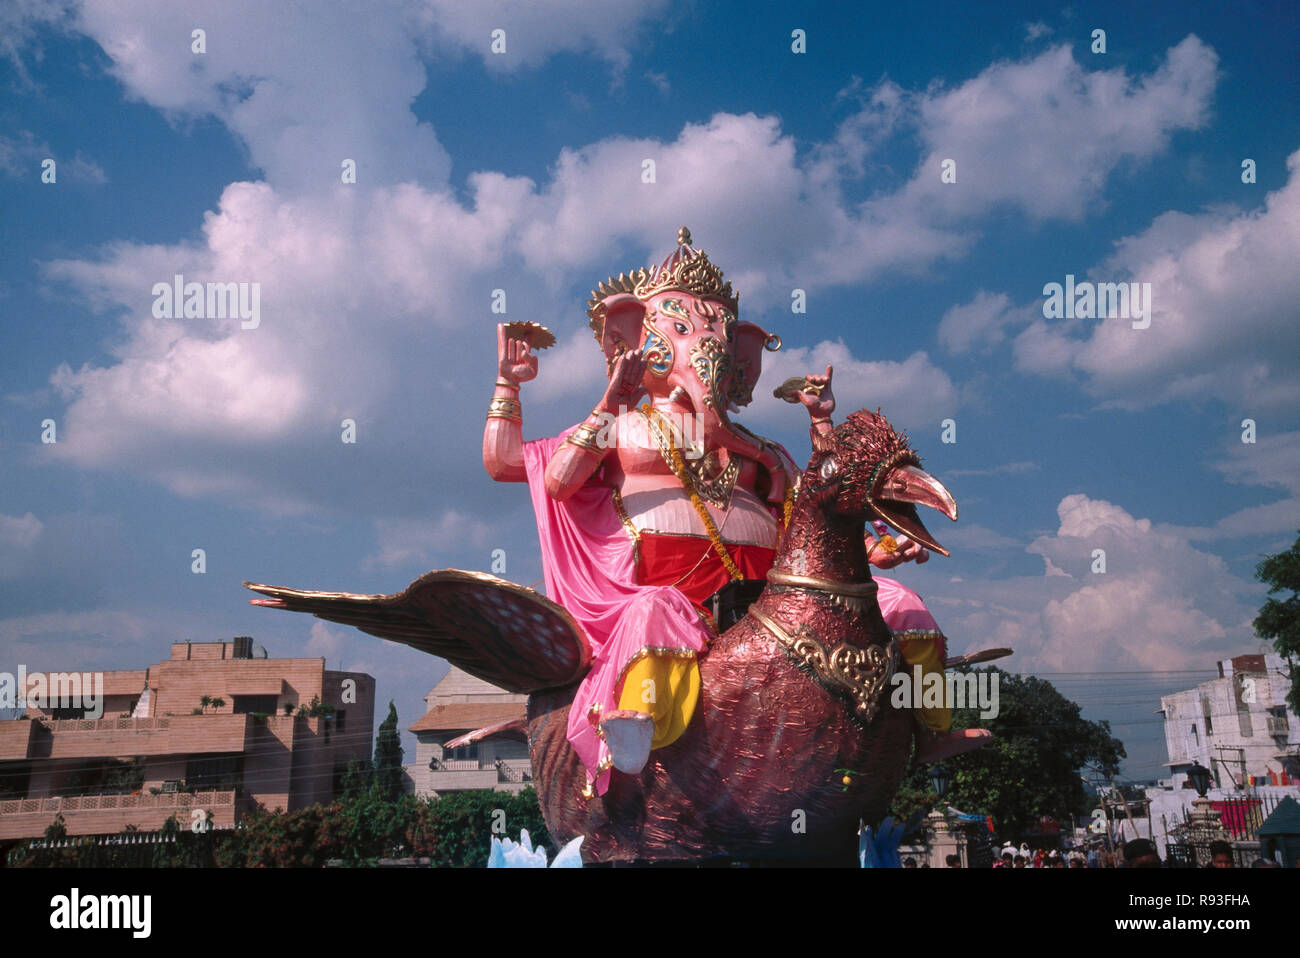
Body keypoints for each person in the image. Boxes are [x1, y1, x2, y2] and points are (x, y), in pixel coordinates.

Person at [483, 229, 988, 797]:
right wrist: (523, 387)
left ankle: (932, 727)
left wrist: (876, 543)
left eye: (717, 334)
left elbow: (814, 518)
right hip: (669, 592)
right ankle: (637, 735)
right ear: (635, 339)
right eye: (680, 330)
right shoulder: (623, 425)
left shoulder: (764, 449)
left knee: (903, 606)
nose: (707, 346)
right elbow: (541, 475)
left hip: (772, 600)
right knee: (657, 611)